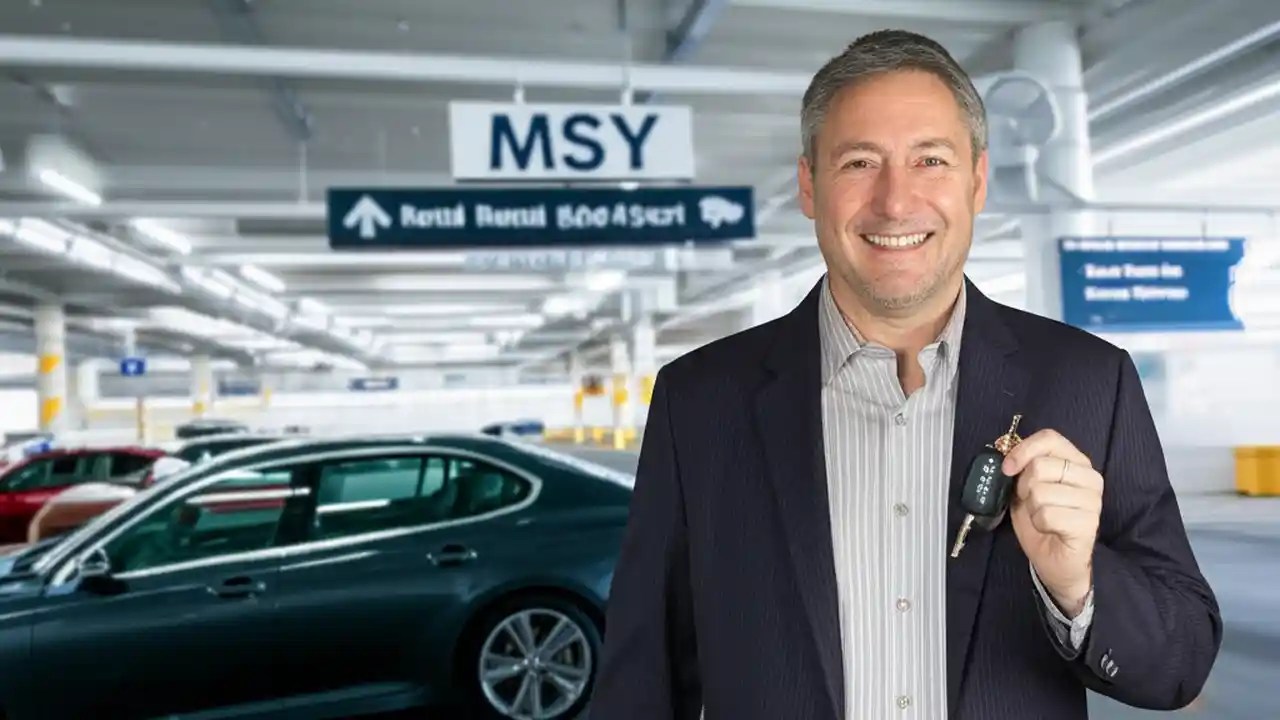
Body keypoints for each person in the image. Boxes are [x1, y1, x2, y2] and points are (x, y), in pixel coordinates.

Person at [590, 29, 1221, 720]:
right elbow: (641, 681)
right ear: (809, 185)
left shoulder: (1089, 381)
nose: (895, 201)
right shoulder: (701, 404)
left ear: (977, 181)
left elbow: (1180, 663)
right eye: (860, 162)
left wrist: (1078, 583)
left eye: (930, 160)